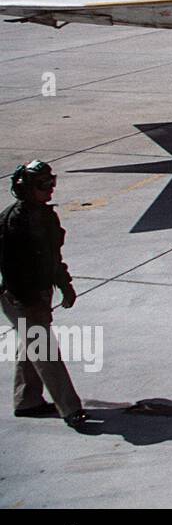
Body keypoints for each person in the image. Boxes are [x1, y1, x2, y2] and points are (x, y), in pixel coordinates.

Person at [0, 161, 87, 429]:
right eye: (43, 185)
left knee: (33, 345)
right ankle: (70, 408)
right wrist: (28, 302)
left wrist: (65, 285)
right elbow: (12, 267)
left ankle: (27, 400)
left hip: (38, 292)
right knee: (44, 350)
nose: (50, 190)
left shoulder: (45, 216)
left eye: (52, 183)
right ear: (25, 188)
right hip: (21, 296)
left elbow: (53, 257)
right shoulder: (13, 222)